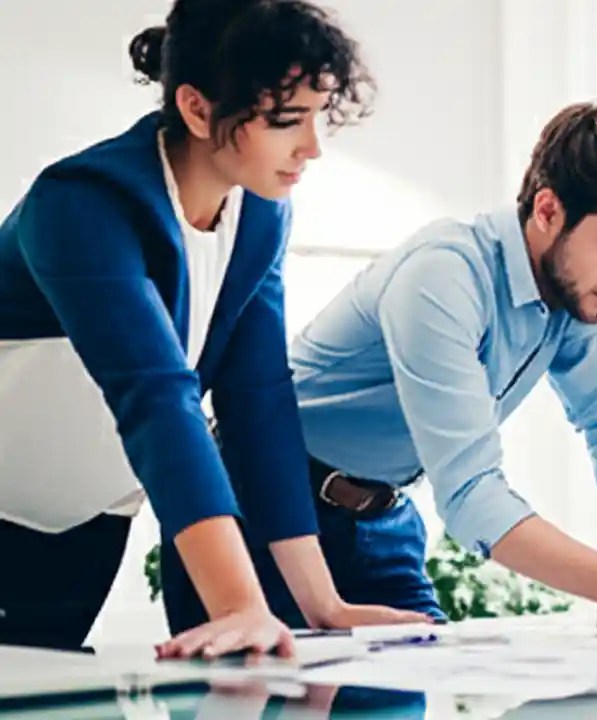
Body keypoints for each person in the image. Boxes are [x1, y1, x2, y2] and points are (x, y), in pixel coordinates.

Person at [0, 0, 424, 657]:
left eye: (317, 116)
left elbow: (257, 400)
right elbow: (156, 396)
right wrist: (238, 606)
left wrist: (321, 603)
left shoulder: (258, 215)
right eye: (287, 120)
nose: (312, 147)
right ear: (197, 109)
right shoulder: (80, 205)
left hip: (83, 523)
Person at [282, 101, 597, 630]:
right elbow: (471, 493)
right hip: (274, 513)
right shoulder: (442, 276)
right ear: (548, 211)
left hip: (384, 522)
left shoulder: (572, 299)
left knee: (403, 703)